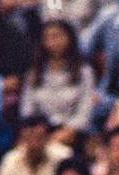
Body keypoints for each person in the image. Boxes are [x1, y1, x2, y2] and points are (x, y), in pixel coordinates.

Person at [20, 18, 96, 146]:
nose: (52, 42)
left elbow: (85, 110)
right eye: (48, 37)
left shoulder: (84, 72)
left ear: (69, 38)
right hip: (40, 133)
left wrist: (68, 132)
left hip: (73, 134)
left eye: (57, 36)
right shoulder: (34, 74)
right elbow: (27, 110)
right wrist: (37, 134)